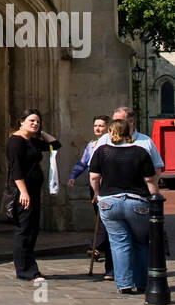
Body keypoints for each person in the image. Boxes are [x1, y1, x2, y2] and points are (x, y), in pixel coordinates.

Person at [89, 117, 160, 294]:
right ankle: (141, 282)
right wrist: (155, 197)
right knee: (140, 242)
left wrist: (97, 194)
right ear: (130, 133)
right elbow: (150, 179)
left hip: (109, 201)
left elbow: (94, 177)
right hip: (137, 201)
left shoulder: (102, 151)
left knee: (119, 243)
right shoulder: (140, 151)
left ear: (112, 133)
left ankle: (124, 284)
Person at [5, 109, 61, 281]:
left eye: (38, 121)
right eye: (31, 121)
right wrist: (23, 192)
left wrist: (41, 132)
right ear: (21, 121)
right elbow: (16, 170)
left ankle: (31, 267)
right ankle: (24, 270)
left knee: (32, 230)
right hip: (22, 192)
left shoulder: (32, 141)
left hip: (34, 191)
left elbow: (56, 145)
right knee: (24, 229)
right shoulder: (15, 142)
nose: (35, 124)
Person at [67, 114, 113, 279]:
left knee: (105, 220)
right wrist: (73, 176)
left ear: (108, 127)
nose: (98, 128)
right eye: (95, 126)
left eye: (101, 125)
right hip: (94, 188)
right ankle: (103, 255)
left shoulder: (111, 144)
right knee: (100, 219)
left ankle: (98, 246)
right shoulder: (91, 145)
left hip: (108, 187)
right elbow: (82, 163)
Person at [91, 106, 165, 173]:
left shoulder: (146, 141)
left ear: (131, 121)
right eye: (114, 121)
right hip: (110, 187)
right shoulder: (104, 140)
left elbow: (157, 167)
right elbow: (93, 169)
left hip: (138, 187)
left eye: (119, 121)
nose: (115, 124)